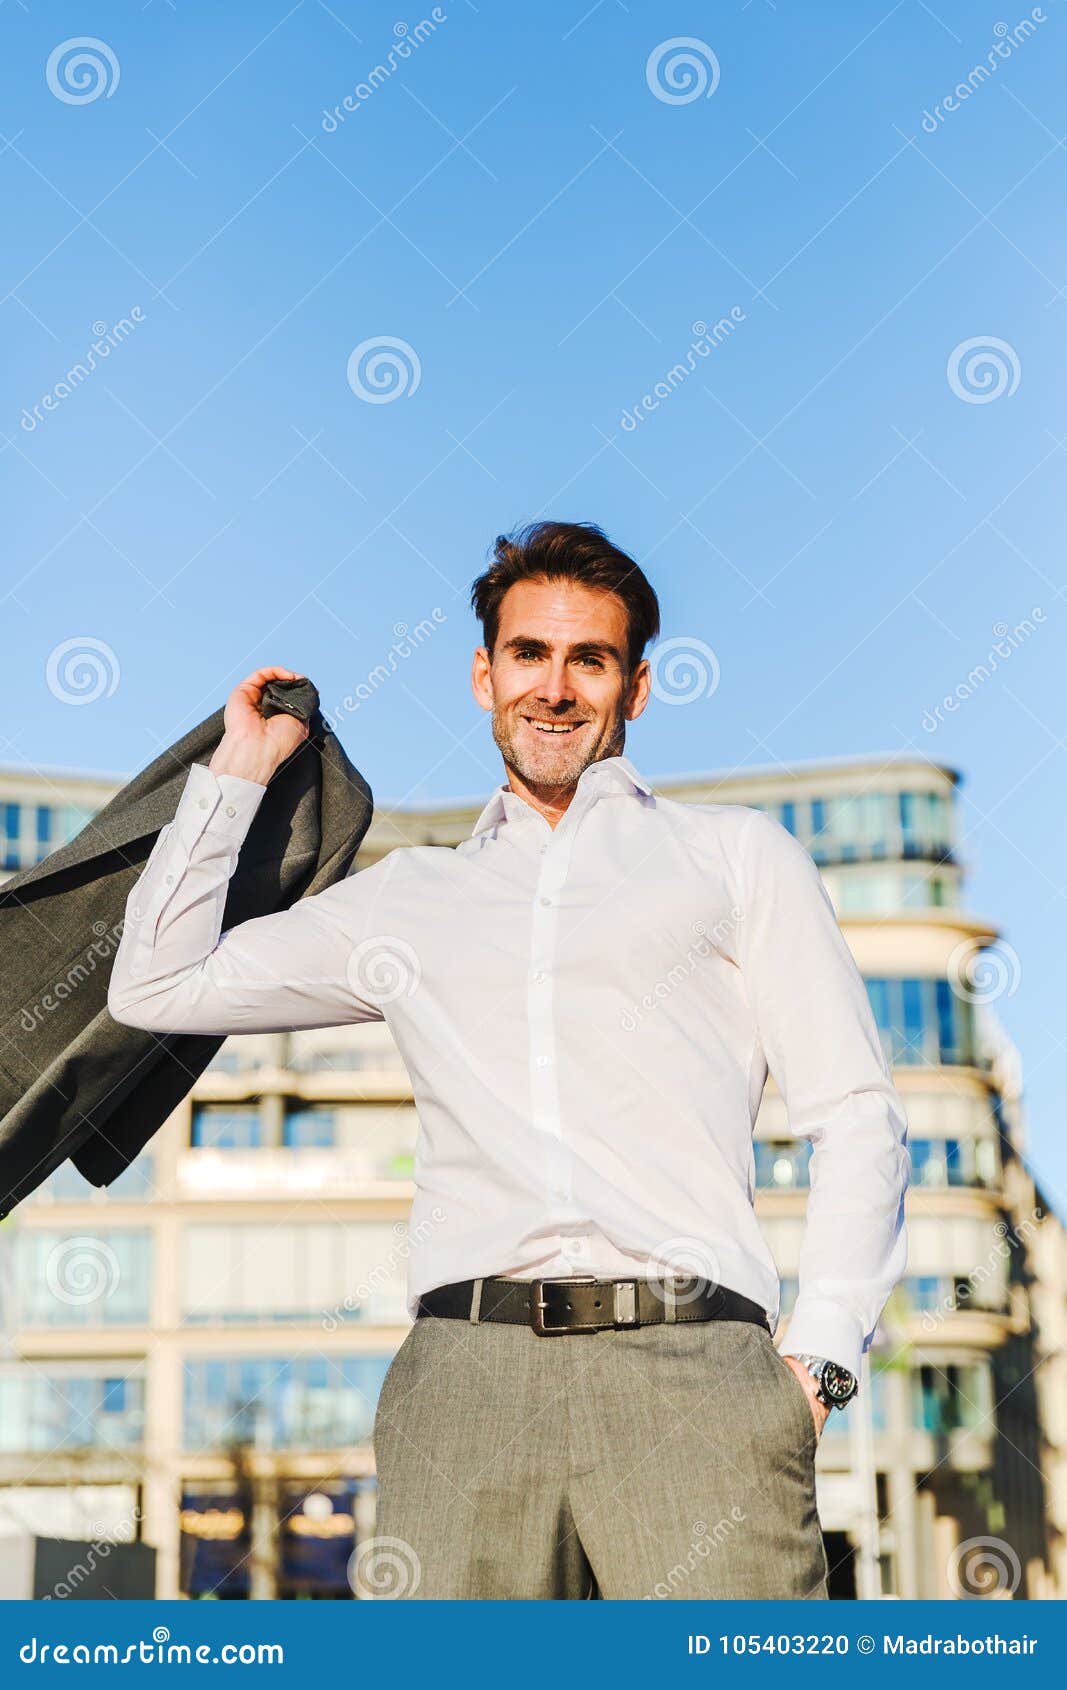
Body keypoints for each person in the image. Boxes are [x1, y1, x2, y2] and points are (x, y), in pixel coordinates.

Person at [108, 519, 908, 1600]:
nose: (555, 688)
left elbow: (854, 1113)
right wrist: (237, 772)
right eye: (529, 653)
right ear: (485, 675)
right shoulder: (408, 899)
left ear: (635, 688)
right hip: (463, 1384)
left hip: (696, 1376)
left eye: (591, 660)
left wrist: (820, 1361)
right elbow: (155, 986)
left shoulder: (734, 858)